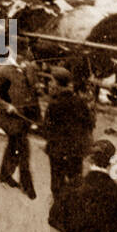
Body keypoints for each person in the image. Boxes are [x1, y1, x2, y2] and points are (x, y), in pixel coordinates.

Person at [42, 67, 94, 206]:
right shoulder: (80, 102)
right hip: (76, 151)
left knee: (57, 185)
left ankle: (59, 213)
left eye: (52, 81)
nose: (50, 84)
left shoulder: (54, 104)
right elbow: (89, 124)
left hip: (58, 151)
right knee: (75, 182)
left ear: (58, 84)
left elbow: (46, 129)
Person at [0, 54, 38, 198]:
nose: (26, 62)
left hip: (23, 118)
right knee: (24, 151)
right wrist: (6, 106)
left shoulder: (25, 71)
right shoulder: (4, 71)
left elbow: (32, 89)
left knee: (13, 146)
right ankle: (27, 186)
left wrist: (29, 71)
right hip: (11, 118)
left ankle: (4, 175)